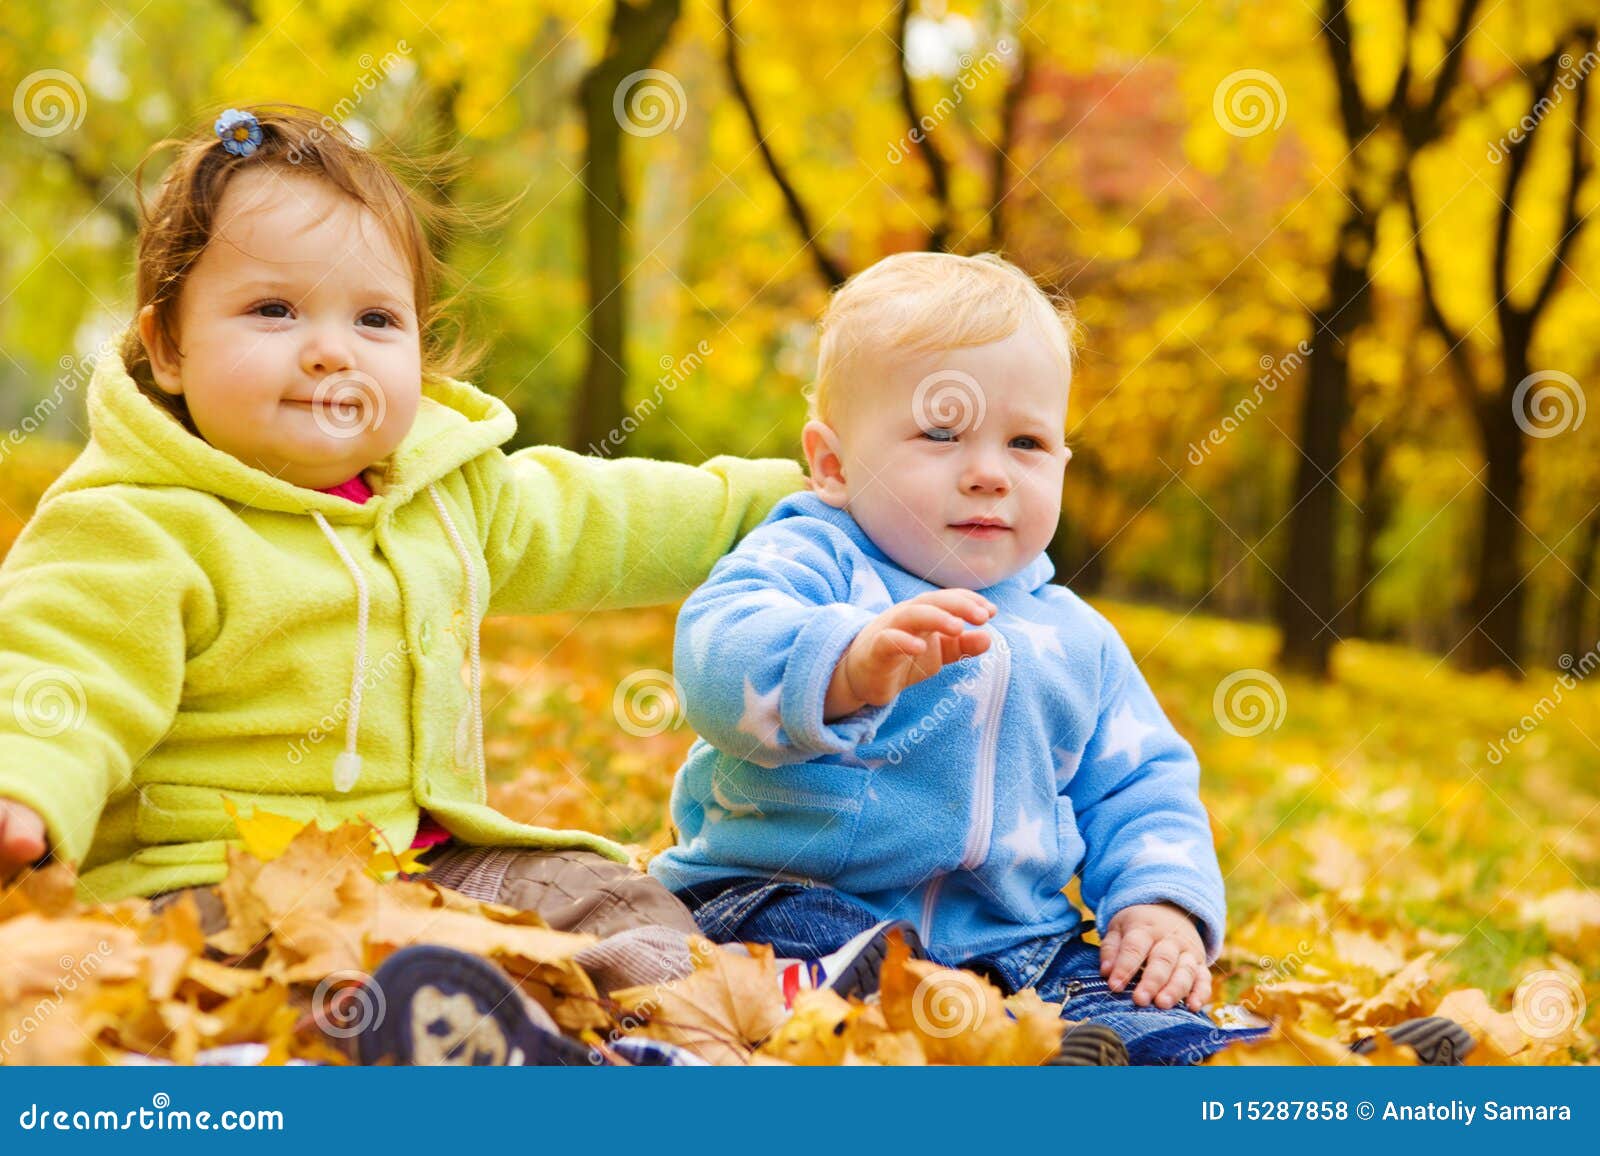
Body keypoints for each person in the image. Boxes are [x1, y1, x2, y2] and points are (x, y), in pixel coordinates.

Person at [0, 105, 806, 1065]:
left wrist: (793, 500)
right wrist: (24, 786)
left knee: (601, 894)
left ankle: (671, 1047)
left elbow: (611, 514)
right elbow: (64, 663)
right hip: (215, 883)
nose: (332, 349)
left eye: (375, 319)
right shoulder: (140, 518)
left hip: (430, 865)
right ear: (168, 347)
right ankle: (409, 1042)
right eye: (274, 310)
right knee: (298, 978)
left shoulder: (445, 494)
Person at [649, 252, 1472, 1066]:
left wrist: (1160, 905)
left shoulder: (1073, 638)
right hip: (780, 899)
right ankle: (992, 1053)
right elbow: (718, 653)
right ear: (832, 463)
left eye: (1027, 443)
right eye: (941, 433)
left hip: (1017, 944)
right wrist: (843, 665)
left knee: (1126, 1004)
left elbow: (1140, 783)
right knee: (838, 955)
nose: (988, 474)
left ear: (1062, 464)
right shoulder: (813, 560)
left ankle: (1272, 1070)